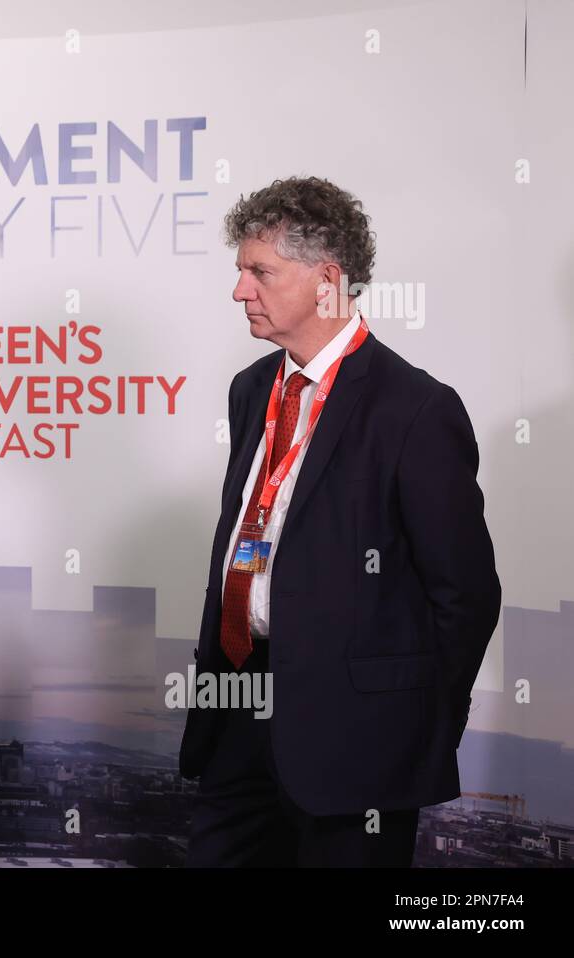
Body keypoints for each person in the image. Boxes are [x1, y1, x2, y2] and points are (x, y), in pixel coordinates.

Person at [179, 176, 501, 866]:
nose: (240, 290)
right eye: (240, 271)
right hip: (238, 711)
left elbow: (466, 595)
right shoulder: (250, 391)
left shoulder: (415, 410)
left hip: (361, 746)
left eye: (258, 271)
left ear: (327, 280)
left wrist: (419, 726)